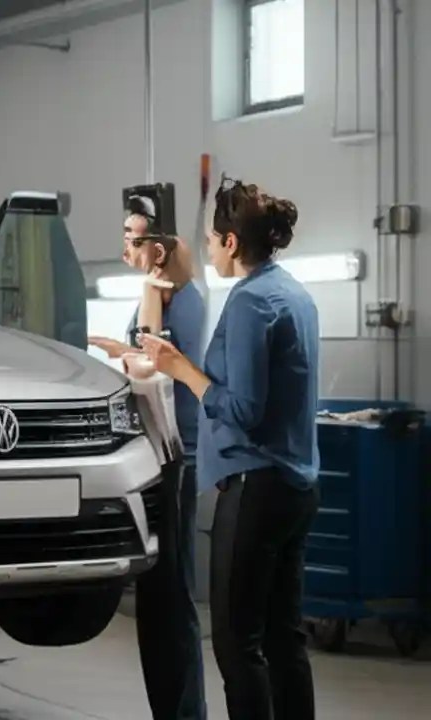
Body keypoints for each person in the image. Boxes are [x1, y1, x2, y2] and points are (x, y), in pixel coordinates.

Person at [139, 178, 320, 720]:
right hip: (296, 486)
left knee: (237, 644)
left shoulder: (249, 303)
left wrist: (181, 369)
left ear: (232, 243)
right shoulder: (294, 294)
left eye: (211, 242)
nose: (209, 251)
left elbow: (242, 409)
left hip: (255, 489)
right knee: (284, 637)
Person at [91, 198, 208, 720]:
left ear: (158, 249)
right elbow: (146, 355)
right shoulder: (163, 295)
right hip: (155, 455)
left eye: (133, 238)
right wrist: (121, 349)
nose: (125, 248)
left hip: (174, 457)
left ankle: (184, 713)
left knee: (171, 598)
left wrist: (126, 351)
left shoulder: (177, 300)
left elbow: (152, 366)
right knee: (157, 599)